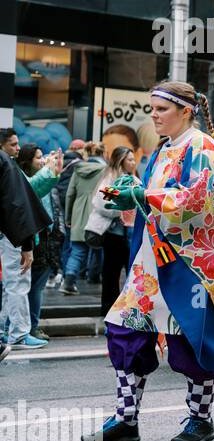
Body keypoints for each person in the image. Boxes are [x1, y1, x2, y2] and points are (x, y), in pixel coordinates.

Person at [80, 80, 214, 441]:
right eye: (152, 109)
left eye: (161, 109)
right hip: (154, 261)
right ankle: (126, 420)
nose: (153, 116)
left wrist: (142, 192)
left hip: (193, 262)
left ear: (185, 111)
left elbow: (197, 196)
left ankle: (201, 420)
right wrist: (130, 197)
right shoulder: (163, 150)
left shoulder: (200, 146)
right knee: (125, 329)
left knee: (190, 339)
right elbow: (157, 202)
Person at [2, 146, 58, 349]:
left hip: (9, 233)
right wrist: (27, 243)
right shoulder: (7, 164)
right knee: (17, 284)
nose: (16, 147)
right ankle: (17, 333)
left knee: (11, 285)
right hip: (11, 234)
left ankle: (6, 329)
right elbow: (18, 202)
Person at [85, 146, 139, 317]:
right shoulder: (109, 180)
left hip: (131, 234)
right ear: (121, 160)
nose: (133, 162)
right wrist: (124, 208)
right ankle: (109, 309)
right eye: (130, 159)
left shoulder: (135, 179)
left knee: (133, 273)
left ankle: (129, 309)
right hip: (114, 235)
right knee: (111, 273)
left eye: (133, 159)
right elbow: (102, 204)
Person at [18, 145, 62, 341]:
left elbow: (54, 204)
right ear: (27, 160)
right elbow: (32, 190)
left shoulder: (44, 178)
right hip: (30, 238)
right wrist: (48, 170)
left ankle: (32, 326)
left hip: (46, 237)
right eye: (38, 158)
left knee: (37, 285)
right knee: (26, 286)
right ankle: (24, 328)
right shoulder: (21, 179)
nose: (42, 161)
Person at [61, 142, 107, 295]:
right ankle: (94, 277)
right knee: (98, 248)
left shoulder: (78, 169)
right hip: (98, 213)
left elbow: (70, 194)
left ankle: (68, 281)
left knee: (77, 251)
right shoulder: (106, 171)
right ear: (103, 154)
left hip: (79, 213)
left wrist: (68, 217)